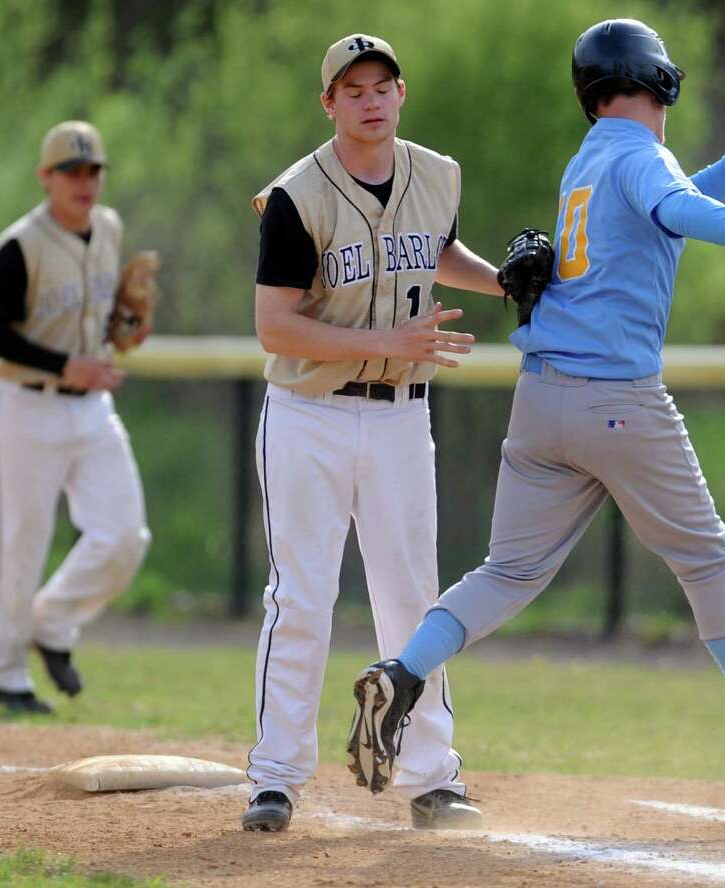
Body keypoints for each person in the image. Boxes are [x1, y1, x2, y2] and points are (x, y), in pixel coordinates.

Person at [348, 18, 725, 794]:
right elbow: (676, 209)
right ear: (657, 78)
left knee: (507, 571)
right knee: (706, 556)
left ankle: (401, 675)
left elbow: (671, 203)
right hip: (618, 401)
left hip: (543, 403)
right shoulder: (639, 154)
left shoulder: (594, 157)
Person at [242, 33, 503, 833]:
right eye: (352, 88)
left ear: (401, 93)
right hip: (309, 415)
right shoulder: (297, 196)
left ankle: (433, 776)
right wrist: (390, 343)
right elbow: (275, 326)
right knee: (303, 598)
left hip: (400, 417)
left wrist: (503, 281)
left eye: (382, 85)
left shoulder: (437, 174)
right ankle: (276, 779)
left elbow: (434, 249)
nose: (370, 99)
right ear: (329, 103)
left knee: (414, 599)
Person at [0, 121, 152, 715]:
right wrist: (67, 363)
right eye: (71, 171)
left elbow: (98, 320)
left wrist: (120, 325)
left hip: (92, 406)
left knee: (125, 535)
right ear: (45, 178)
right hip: (24, 405)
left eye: (92, 170)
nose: (84, 181)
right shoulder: (20, 245)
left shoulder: (108, 228)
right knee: (19, 542)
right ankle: (2, 670)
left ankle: (51, 621)